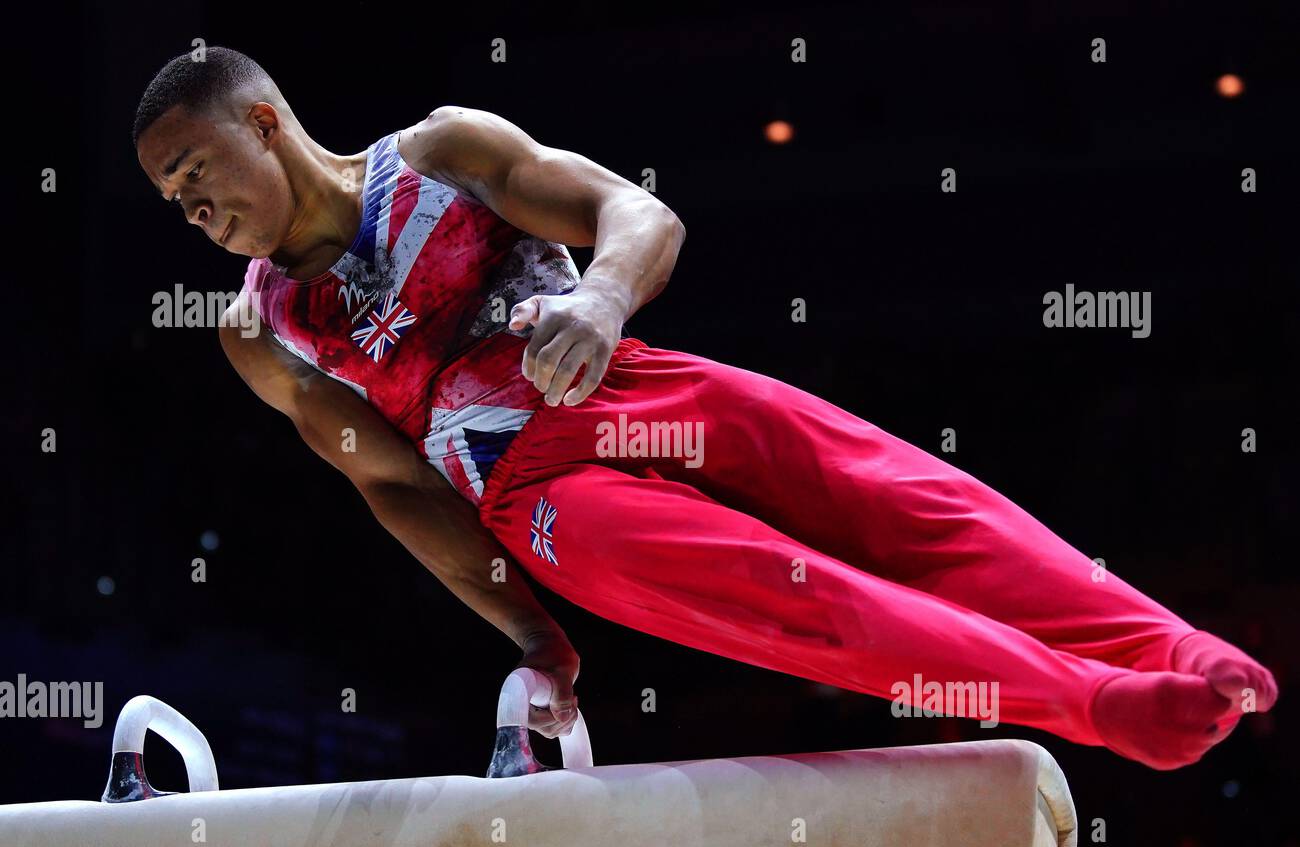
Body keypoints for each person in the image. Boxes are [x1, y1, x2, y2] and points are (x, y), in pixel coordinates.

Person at [133, 47, 1276, 770]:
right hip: (540, 498)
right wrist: (536, 637)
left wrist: (601, 297)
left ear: (266, 120)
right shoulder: (263, 333)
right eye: (172, 201)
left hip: (634, 383)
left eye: (197, 172)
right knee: (809, 598)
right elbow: (393, 483)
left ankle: (1172, 642)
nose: (192, 210)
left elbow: (635, 214)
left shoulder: (444, 153)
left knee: (912, 505)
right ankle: (1105, 703)